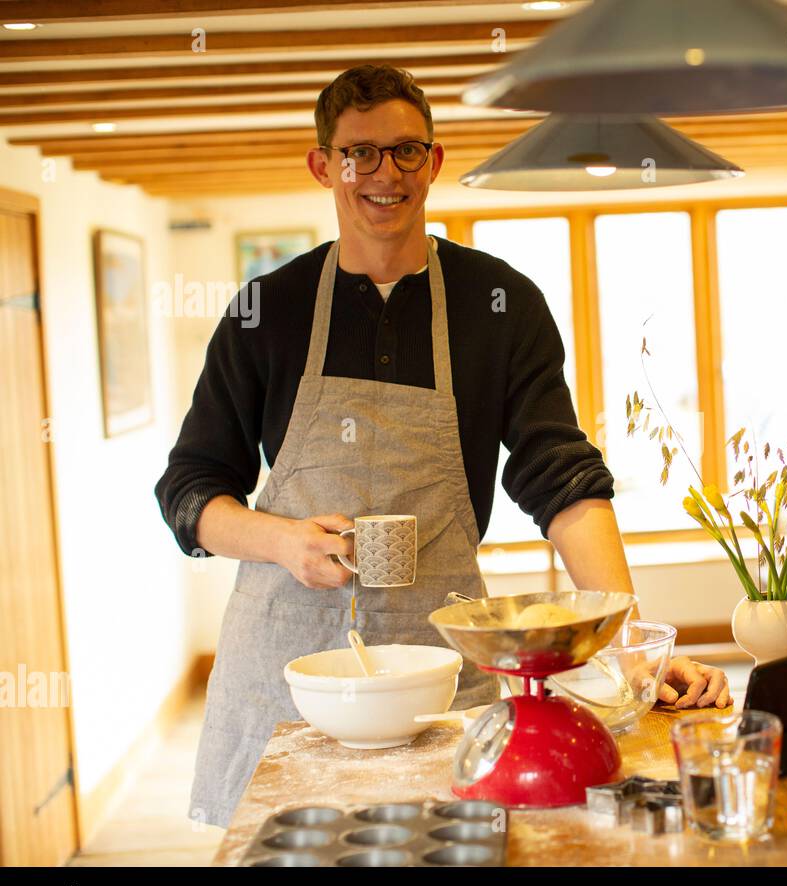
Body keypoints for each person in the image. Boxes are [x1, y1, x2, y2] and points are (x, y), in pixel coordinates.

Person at [155, 65, 729, 829]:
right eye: (359, 153)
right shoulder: (268, 310)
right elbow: (190, 492)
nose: (384, 174)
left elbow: (561, 479)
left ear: (436, 160)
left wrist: (632, 646)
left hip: (442, 678)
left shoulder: (499, 304)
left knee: (450, 843)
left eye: (406, 152)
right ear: (323, 164)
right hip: (290, 685)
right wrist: (284, 540)